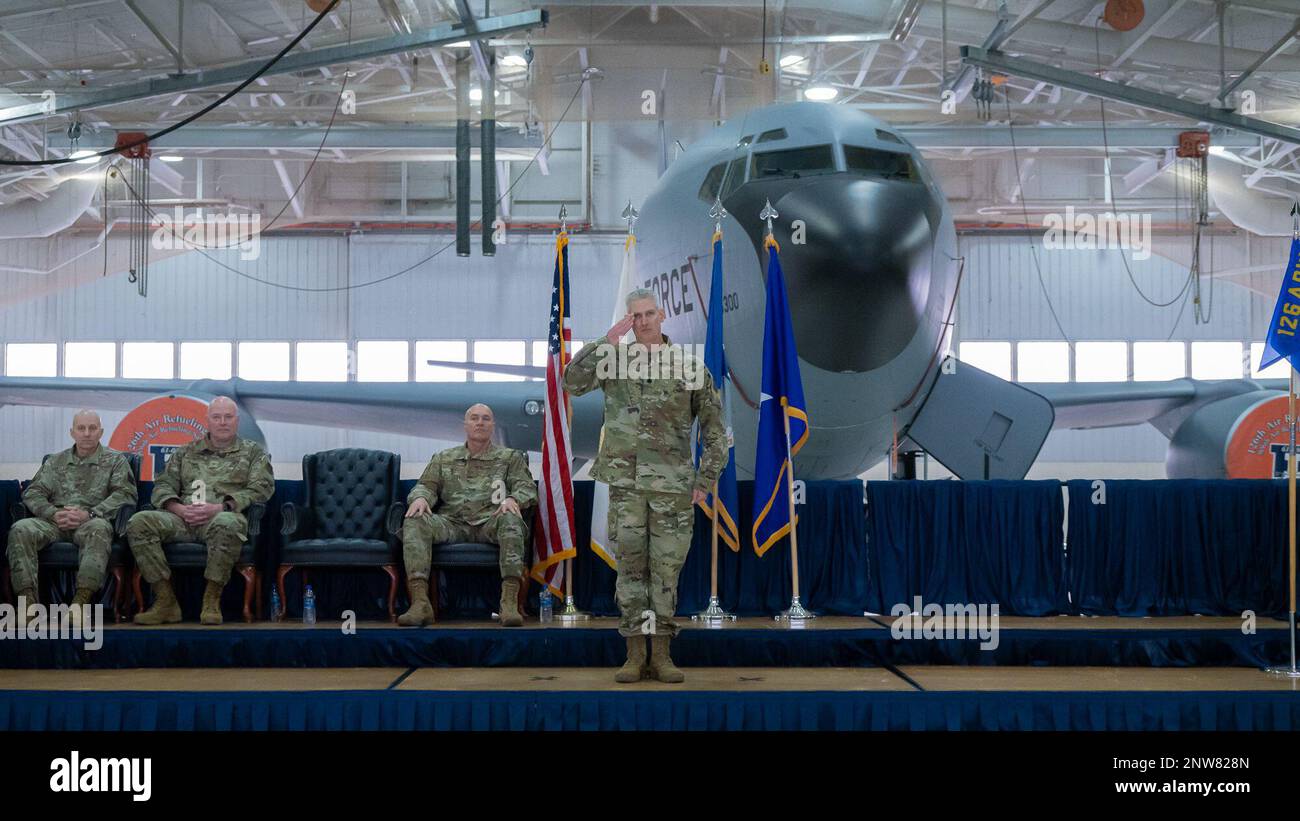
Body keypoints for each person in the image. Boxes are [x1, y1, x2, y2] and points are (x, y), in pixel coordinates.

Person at [563, 287, 727, 683]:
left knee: (666, 572)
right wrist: (607, 340)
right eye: (635, 316)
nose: (643, 322)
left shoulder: (689, 367)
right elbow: (571, 381)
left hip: (673, 489)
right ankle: (635, 654)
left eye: (649, 314)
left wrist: (704, 481)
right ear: (628, 320)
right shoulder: (614, 361)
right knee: (631, 572)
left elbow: (716, 432)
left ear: (663, 314)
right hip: (626, 488)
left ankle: (663, 655)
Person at [128, 396, 274, 625]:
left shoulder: (253, 452)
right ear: (208, 420)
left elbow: (262, 488)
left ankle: (211, 599)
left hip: (221, 518)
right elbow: (163, 485)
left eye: (228, 417)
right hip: (183, 519)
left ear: (236, 421)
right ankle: (166, 602)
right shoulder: (186, 451)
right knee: (139, 522)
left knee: (228, 523)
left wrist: (220, 507)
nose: (222, 422)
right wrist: (179, 509)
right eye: (217, 417)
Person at [398, 403, 537, 627]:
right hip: (452, 523)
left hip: (491, 522)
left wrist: (513, 499)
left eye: (485, 418)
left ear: (493, 426)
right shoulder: (444, 457)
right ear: (465, 425)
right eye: (474, 418)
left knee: (512, 520)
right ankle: (420, 603)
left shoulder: (510, 458)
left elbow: (527, 488)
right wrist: (421, 498)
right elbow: (425, 486)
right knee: (415, 519)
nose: (479, 422)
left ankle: (509, 603)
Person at [7, 410, 136, 618]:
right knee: (21, 529)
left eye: (92, 428)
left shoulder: (115, 461)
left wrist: (90, 514)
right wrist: (53, 513)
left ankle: (80, 603)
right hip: (54, 522)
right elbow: (33, 492)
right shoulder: (55, 462)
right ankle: (28, 605)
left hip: (91, 522)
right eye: (81, 428)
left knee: (100, 529)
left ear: (101, 432)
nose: (87, 433)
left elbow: (125, 494)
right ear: (72, 432)